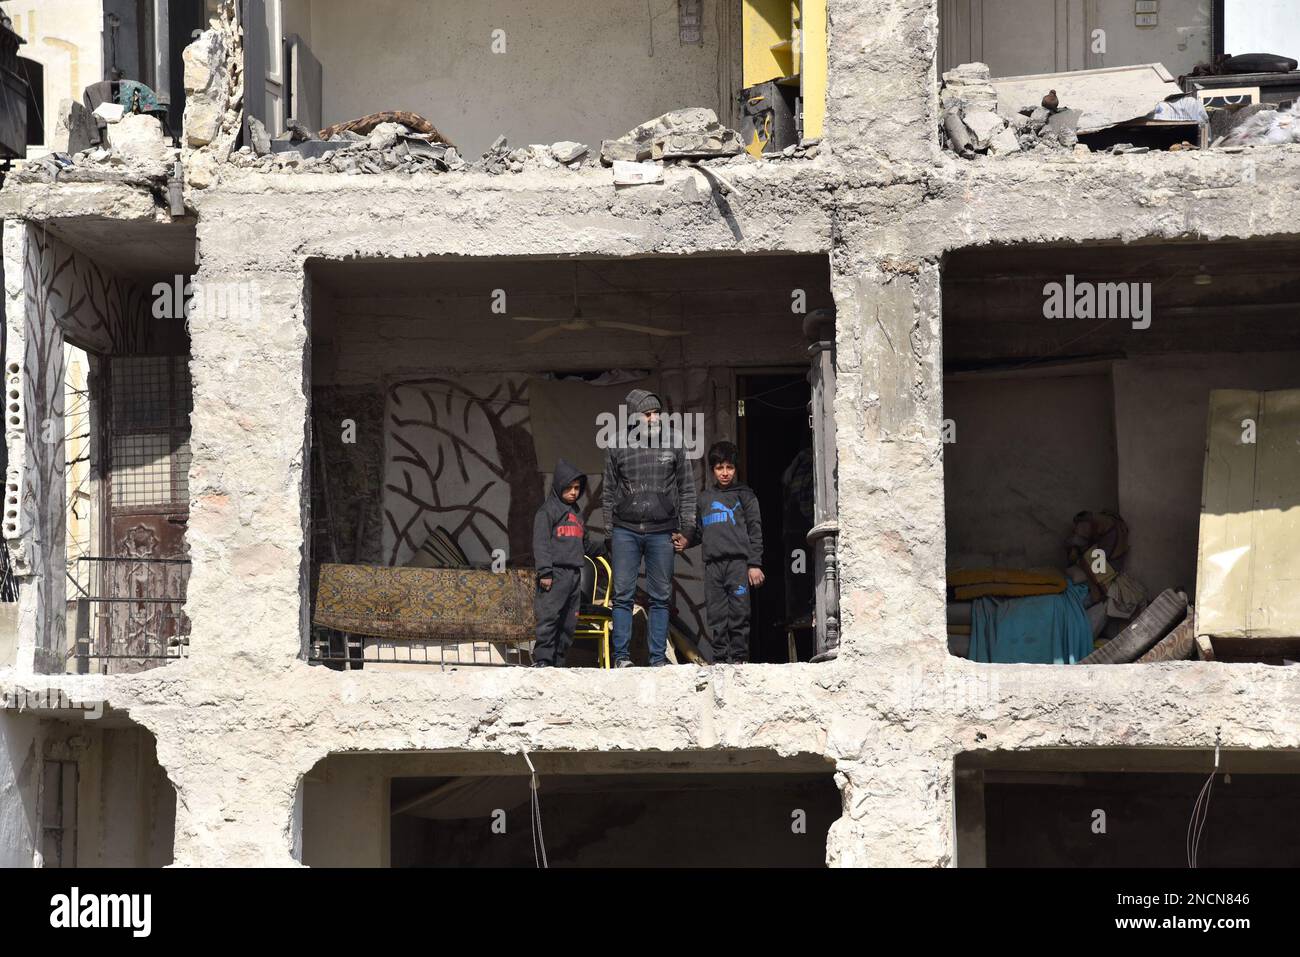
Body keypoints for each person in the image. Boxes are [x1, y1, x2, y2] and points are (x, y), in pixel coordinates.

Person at [603, 389, 696, 667]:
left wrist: (688, 530)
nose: (654, 418)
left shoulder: (674, 442)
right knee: (622, 596)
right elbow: (607, 493)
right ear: (634, 417)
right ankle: (622, 658)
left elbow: (687, 489)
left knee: (660, 597)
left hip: (662, 531)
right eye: (648, 414)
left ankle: (658, 659)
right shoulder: (617, 443)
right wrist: (610, 533)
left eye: (657, 413)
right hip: (625, 531)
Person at [678, 441, 764, 664]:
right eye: (719, 468)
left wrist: (754, 564)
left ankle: (739, 659)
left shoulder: (746, 496)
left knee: (739, 614)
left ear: (736, 469)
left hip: (738, 565)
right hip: (713, 566)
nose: (725, 473)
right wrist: (685, 541)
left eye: (729, 468)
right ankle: (719, 660)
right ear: (712, 470)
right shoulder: (705, 498)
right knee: (716, 616)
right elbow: (699, 532)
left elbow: (755, 530)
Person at [531, 459, 600, 668]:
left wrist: (608, 546)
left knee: (569, 622)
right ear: (559, 485)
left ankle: (558, 662)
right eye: (568, 487)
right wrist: (545, 572)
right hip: (556, 574)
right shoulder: (547, 511)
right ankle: (543, 660)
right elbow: (541, 543)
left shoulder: (576, 514)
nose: (573, 492)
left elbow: (585, 545)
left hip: (574, 576)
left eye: (577, 488)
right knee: (549, 617)